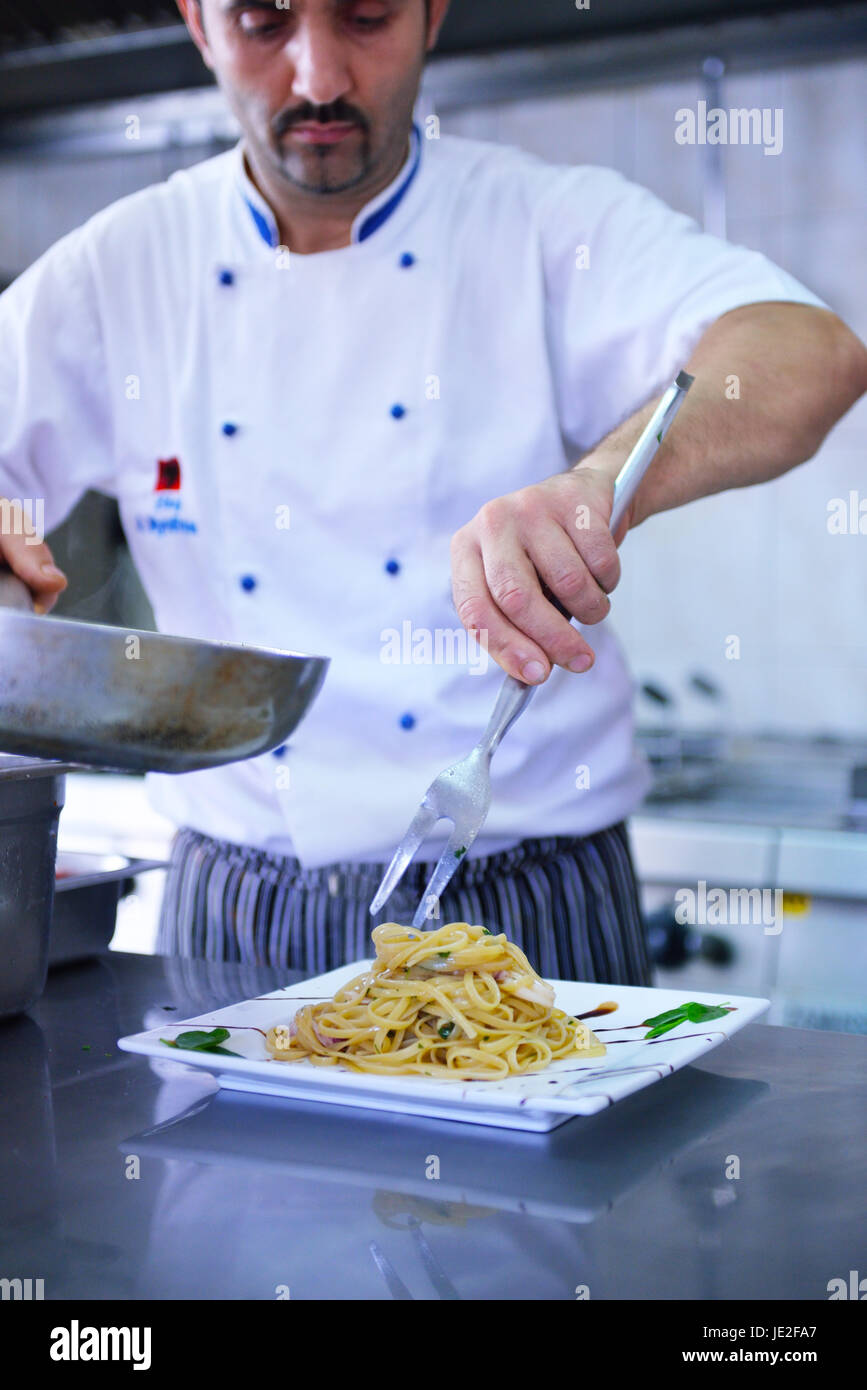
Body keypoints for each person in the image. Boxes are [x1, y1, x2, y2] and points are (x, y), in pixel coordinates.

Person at [1, 0, 865, 982]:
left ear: (433, 12)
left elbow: (809, 348)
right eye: (263, 22)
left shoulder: (539, 221)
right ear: (199, 24)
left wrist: (597, 483)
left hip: (532, 900)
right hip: (234, 902)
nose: (319, 76)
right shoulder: (124, 265)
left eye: (365, 16)